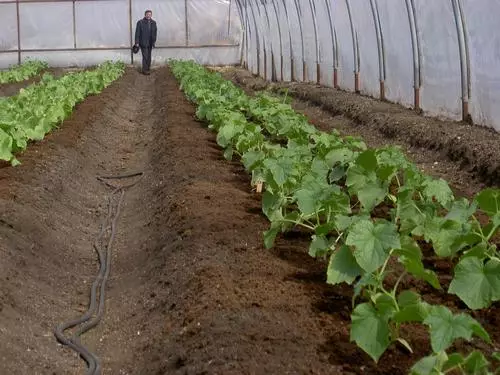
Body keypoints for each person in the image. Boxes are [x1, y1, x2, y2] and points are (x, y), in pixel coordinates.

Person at [134, 10, 157, 75]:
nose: (149, 15)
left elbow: (155, 32)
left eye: (150, 14)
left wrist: (154, 41)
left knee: (149, 56)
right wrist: (137, 42)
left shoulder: (153, 23)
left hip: (150, 42)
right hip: (143, 42)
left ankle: (148, 68)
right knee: (145, 56)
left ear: (151, 15)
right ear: (145, 15)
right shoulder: (140, 22)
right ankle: (144, 70)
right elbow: (137, 33)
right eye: (147, 14)